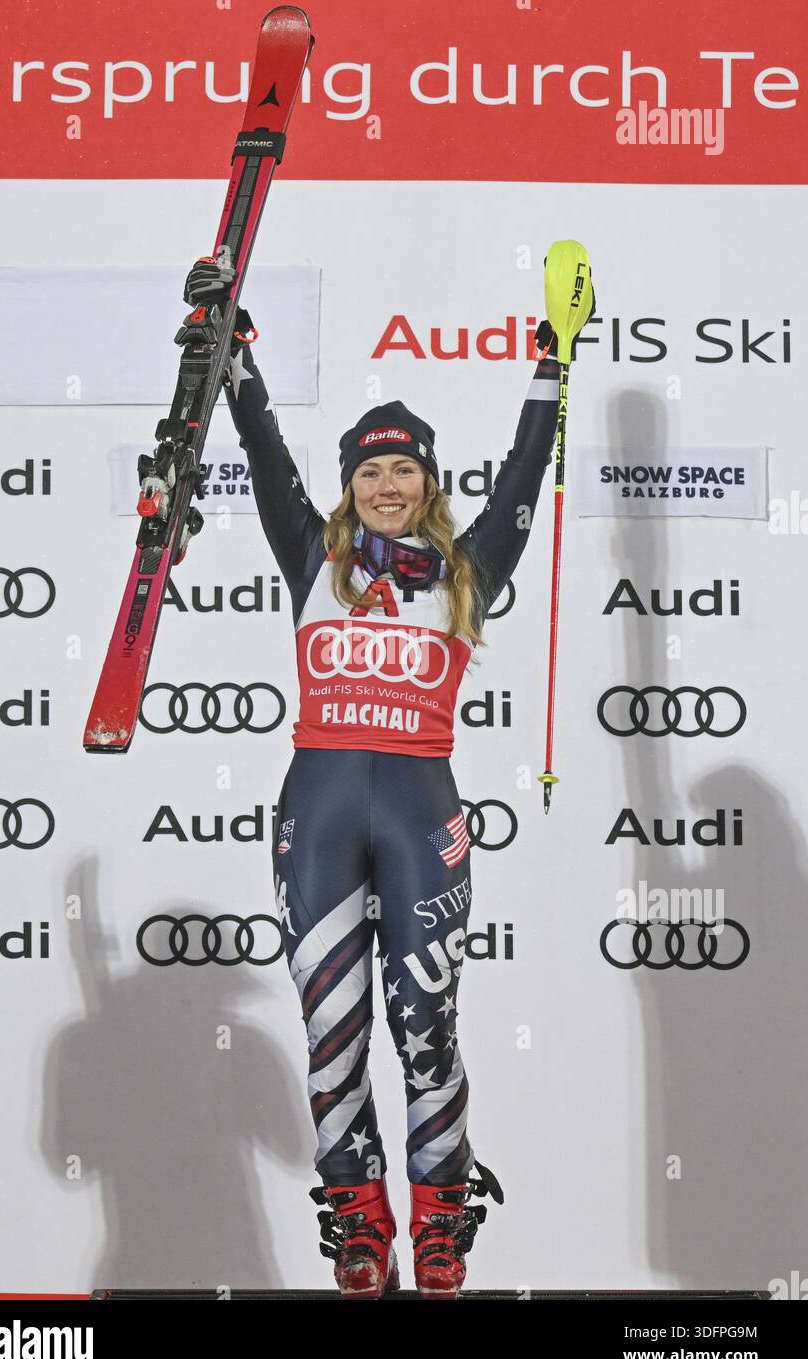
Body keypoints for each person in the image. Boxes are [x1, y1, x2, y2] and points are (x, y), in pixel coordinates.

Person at [182, 256, 586, 1298]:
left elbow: (521, 483)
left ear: (427, 484)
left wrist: (550, 369)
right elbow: (264, 456)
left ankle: (441, 1221)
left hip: (418, 808)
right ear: (351, 485)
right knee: (331, 1024)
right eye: (369, 471)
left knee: (423, 1024)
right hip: (315, 809)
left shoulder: (465, 571)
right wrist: (234, 353)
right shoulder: (314, 564)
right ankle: (359, 1224)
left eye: (403, 470)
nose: (386, 484)